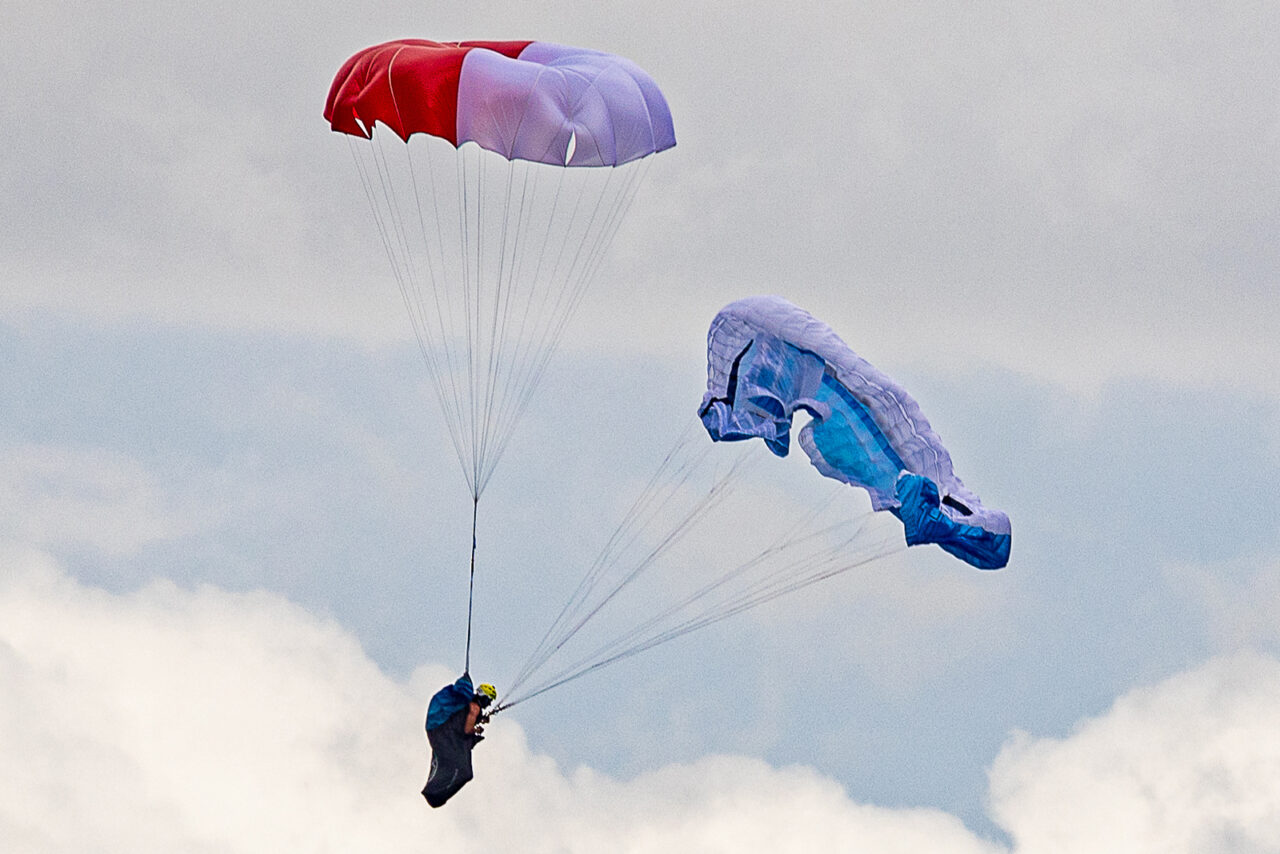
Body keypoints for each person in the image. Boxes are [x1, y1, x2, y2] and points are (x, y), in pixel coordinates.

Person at [421, 673, 497, 807]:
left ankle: (434, 792)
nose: (489, 704)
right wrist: (476, 730)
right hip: (444, 734)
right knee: (464, 772)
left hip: (438, 731)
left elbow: (461, 722)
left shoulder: (468, 705)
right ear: (484, 697)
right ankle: (435, 794)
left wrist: (478, 721)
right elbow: (467, 730)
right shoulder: (474, 708)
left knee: (459, 768)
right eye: (489, 700)